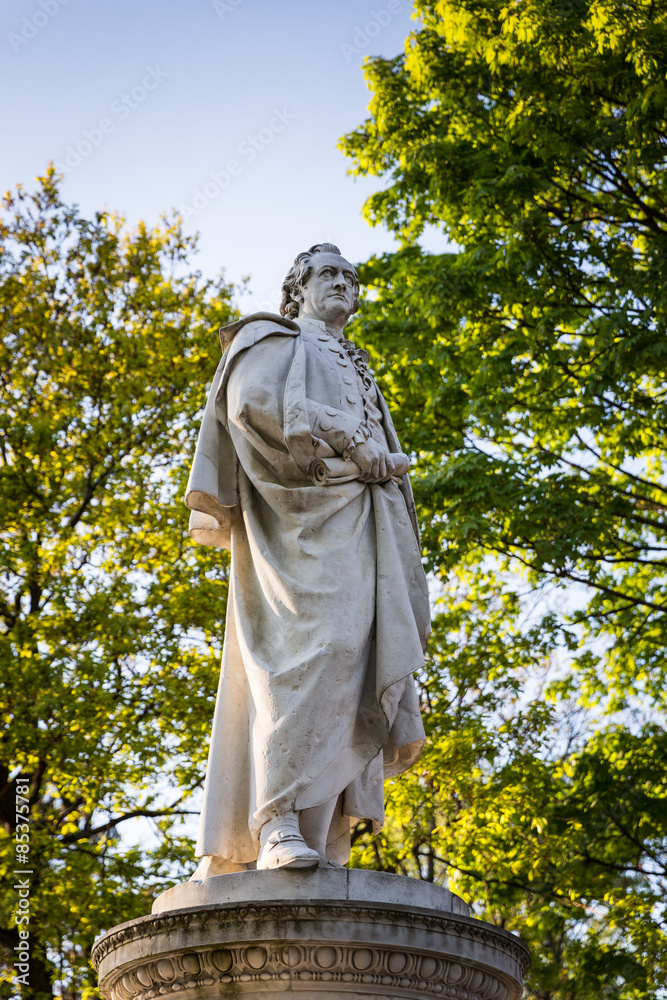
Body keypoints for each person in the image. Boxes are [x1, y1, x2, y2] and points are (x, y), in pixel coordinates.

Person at [186, 243, 430, 876]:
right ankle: (276, 821)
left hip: (362, 524)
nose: (344, 283)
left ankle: (315, 838)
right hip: (296, 529)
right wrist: (348, 436)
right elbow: (252, 404)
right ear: (297, 288)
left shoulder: (358, 361)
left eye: (351, 276)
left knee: (359, 664)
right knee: (317, 653)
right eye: (328, 274)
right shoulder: (268, 337)